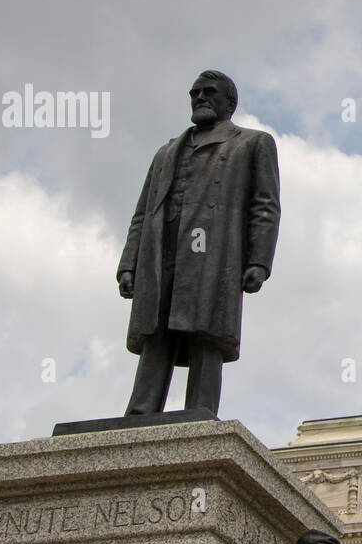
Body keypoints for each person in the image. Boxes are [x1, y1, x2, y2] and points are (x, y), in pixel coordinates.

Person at [118, 70, 281, 416]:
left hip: (215, 251)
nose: (200, 98)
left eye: (209, 92)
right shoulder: (166, 152)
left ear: (230, 103)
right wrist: (129, 264)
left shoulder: (252, 143)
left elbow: (265, 205)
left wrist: (258, 261)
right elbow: (142, 213)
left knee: (206, 332)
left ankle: (201, 411)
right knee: (156, 331)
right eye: (195, 94)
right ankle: (140, 412)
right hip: (161, 252)